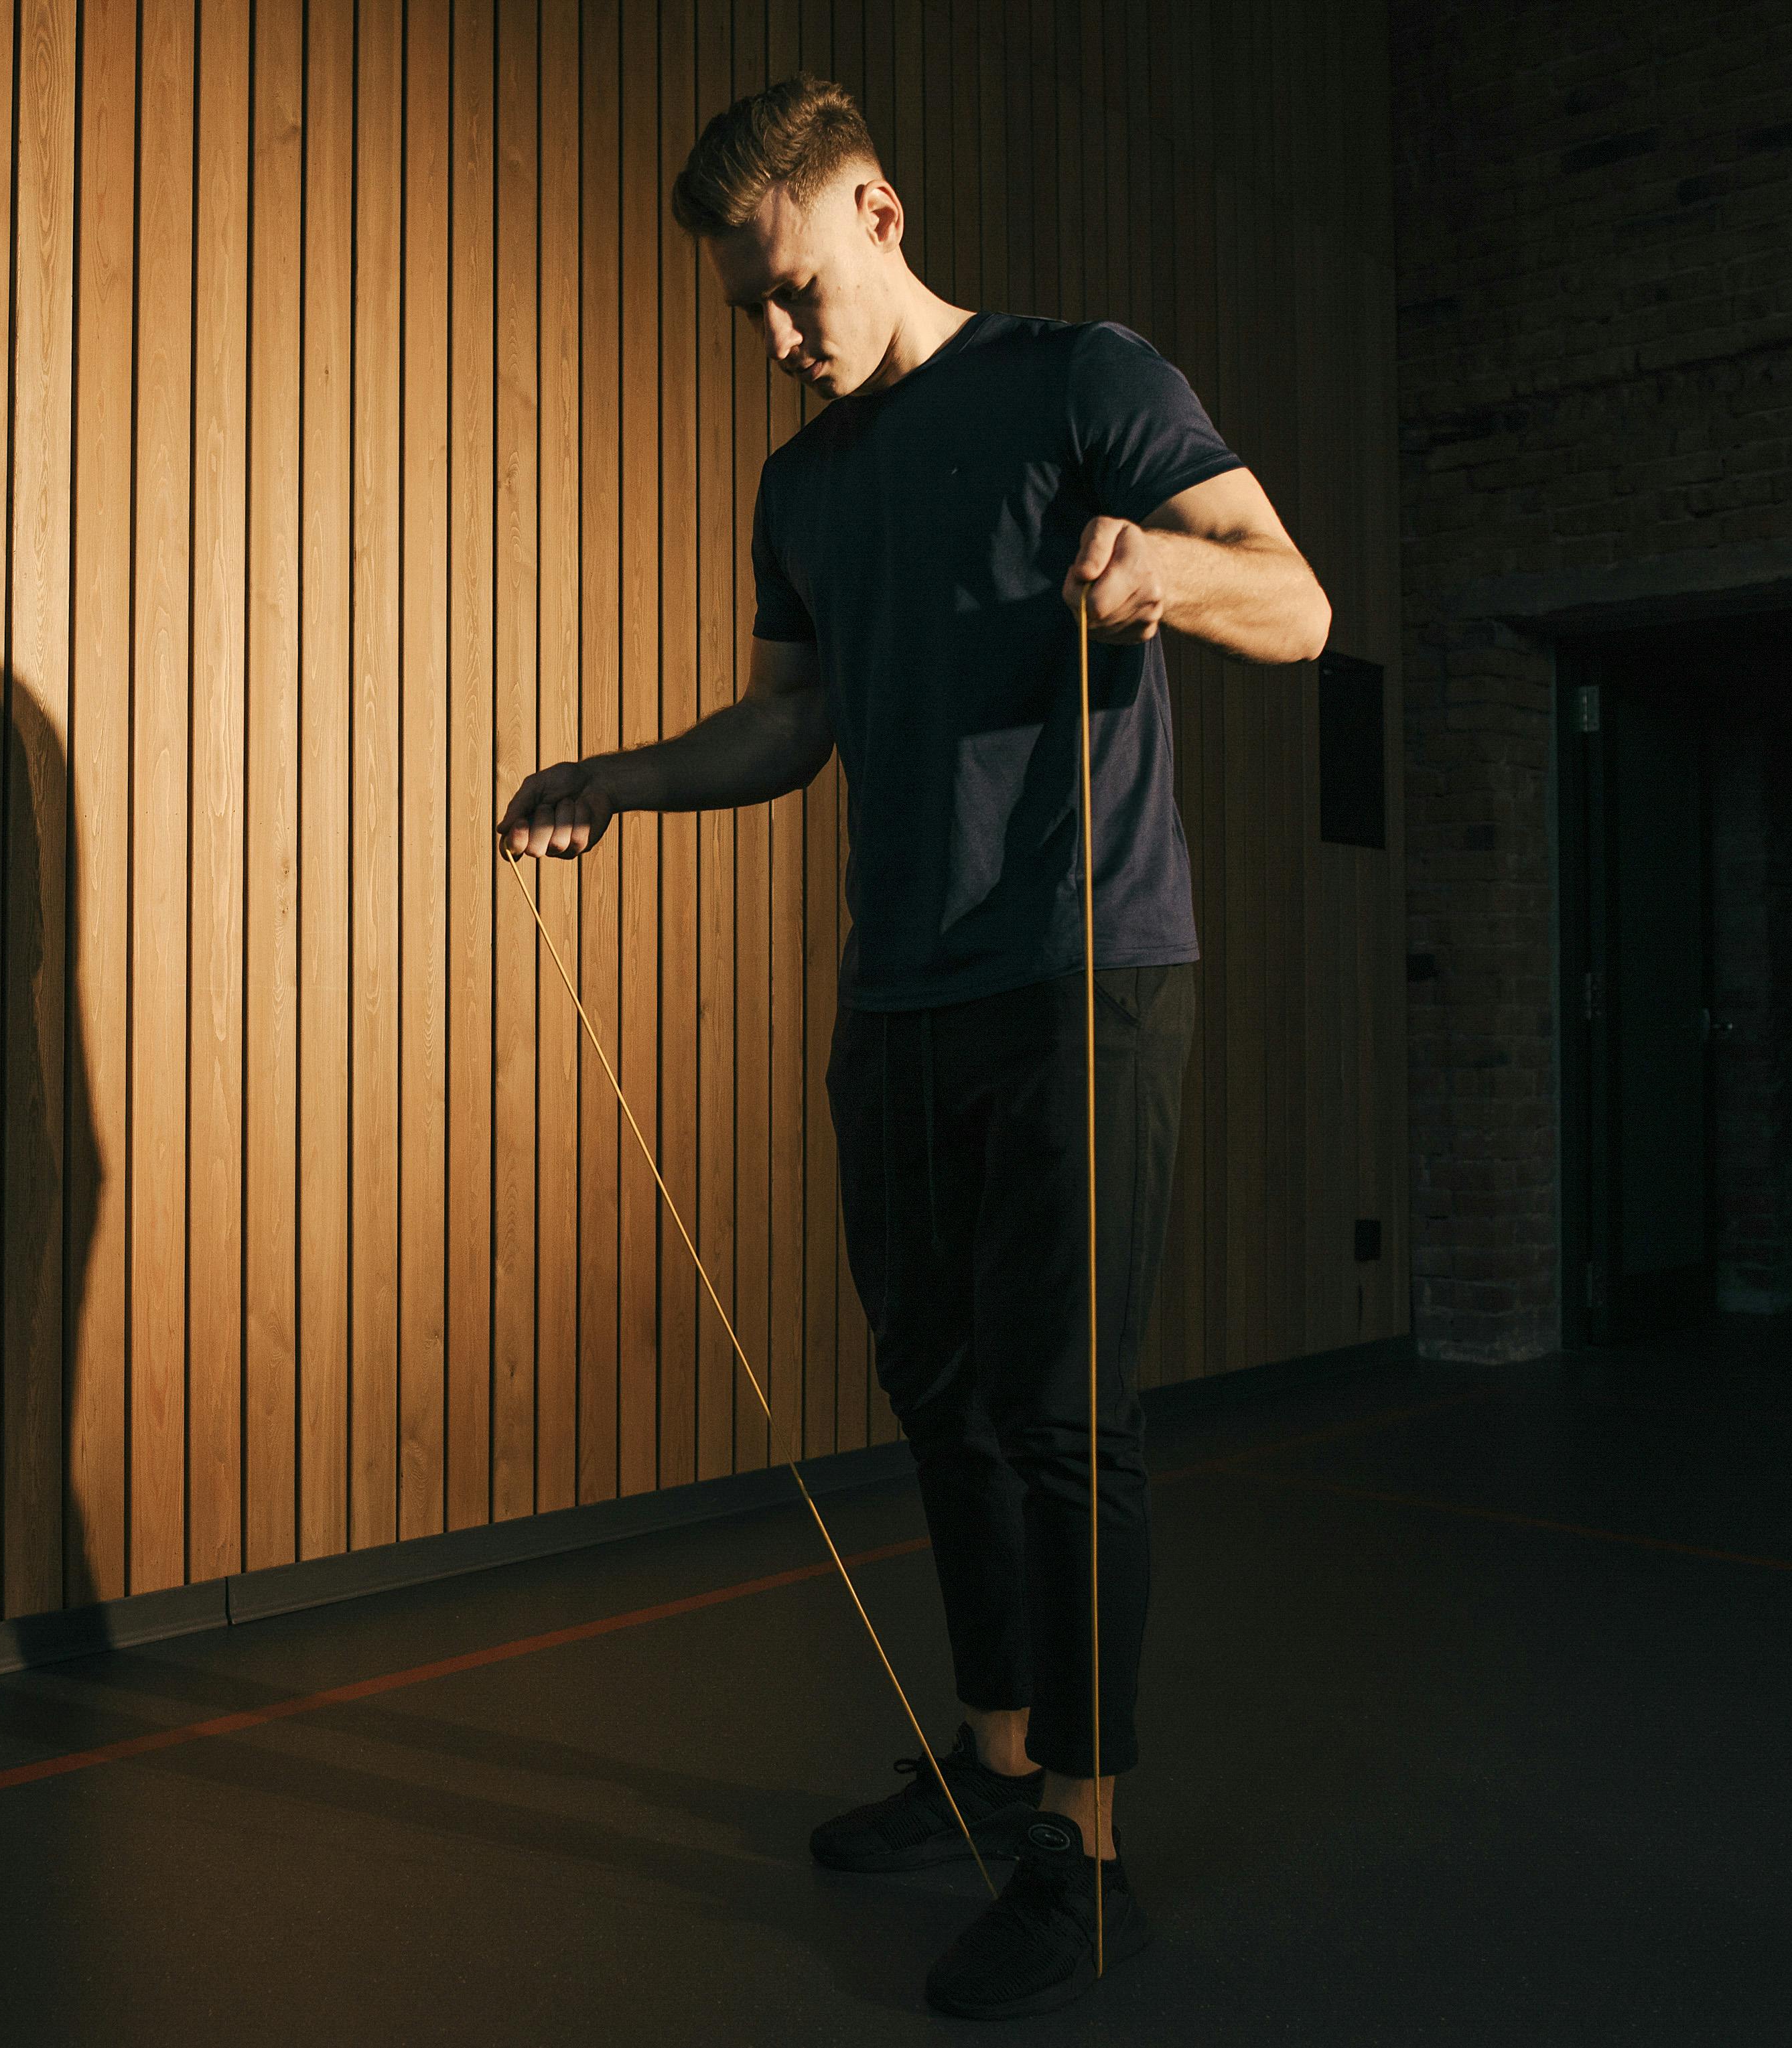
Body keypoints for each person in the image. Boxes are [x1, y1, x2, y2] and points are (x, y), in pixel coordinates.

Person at [498, 75, 1330, 2021]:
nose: (777, 343)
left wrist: (1162, 577)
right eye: (747, 318)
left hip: (1083, 975)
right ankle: (998, 1752)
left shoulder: (1080, 380)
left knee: (1065, 1417)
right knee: (941, 1394)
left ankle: (1085, 1855)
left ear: (872, 208)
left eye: (789, 291)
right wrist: (607, 778)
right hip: (898, 996)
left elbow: (1291, 601)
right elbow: (790, 730)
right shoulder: (802, 488)